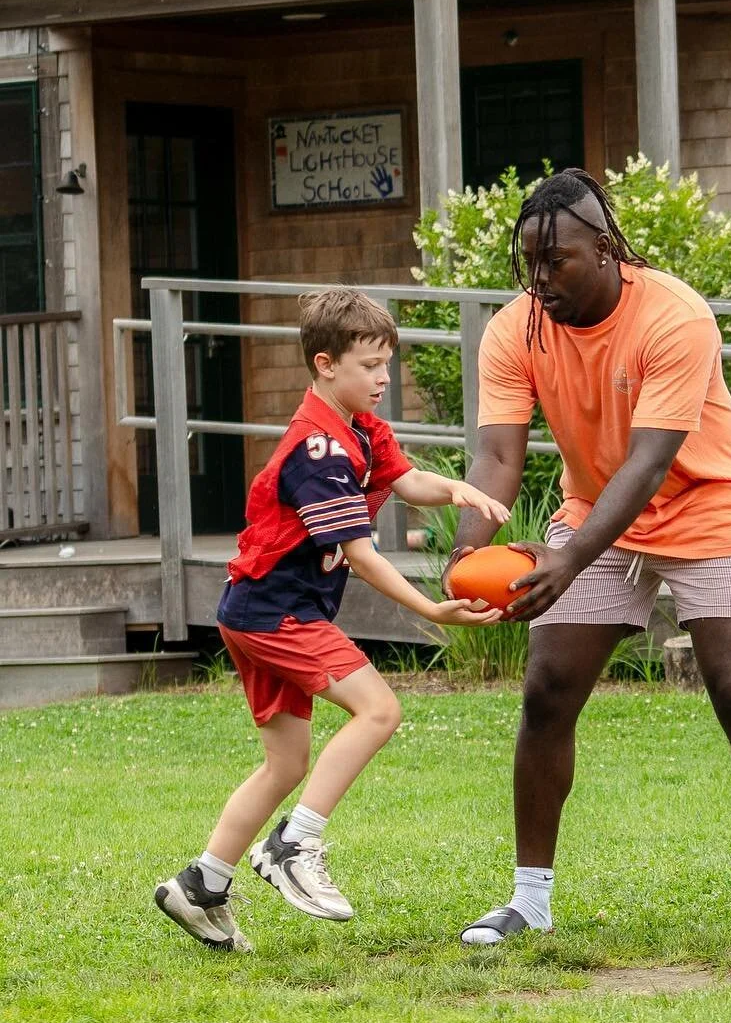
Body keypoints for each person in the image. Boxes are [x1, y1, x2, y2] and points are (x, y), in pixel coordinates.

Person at [443, 168, 731, 946]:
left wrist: (569, 559)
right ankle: (529, 901)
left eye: (558, 262)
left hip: (707, 503)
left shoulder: (674, 316)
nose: (541, 280)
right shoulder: (517, 328)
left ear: (608, 249)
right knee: (546, 689)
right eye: (529, 264)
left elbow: (649, 462)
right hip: (594, 513)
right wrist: (466, 550)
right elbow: (498, 455)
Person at [154, 288, 509, 952]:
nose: (383, 379)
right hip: (274, 612)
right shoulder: (317, 453)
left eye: (386, 365)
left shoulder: (359, 427)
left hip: (259, 609)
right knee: (379, 710)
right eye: (371, 366)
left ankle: (202, 884)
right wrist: (433, 608)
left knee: (285, 764)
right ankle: (294, 843)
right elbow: (361, 556)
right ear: (325, 364)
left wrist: (458, 488)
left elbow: (407, 483)